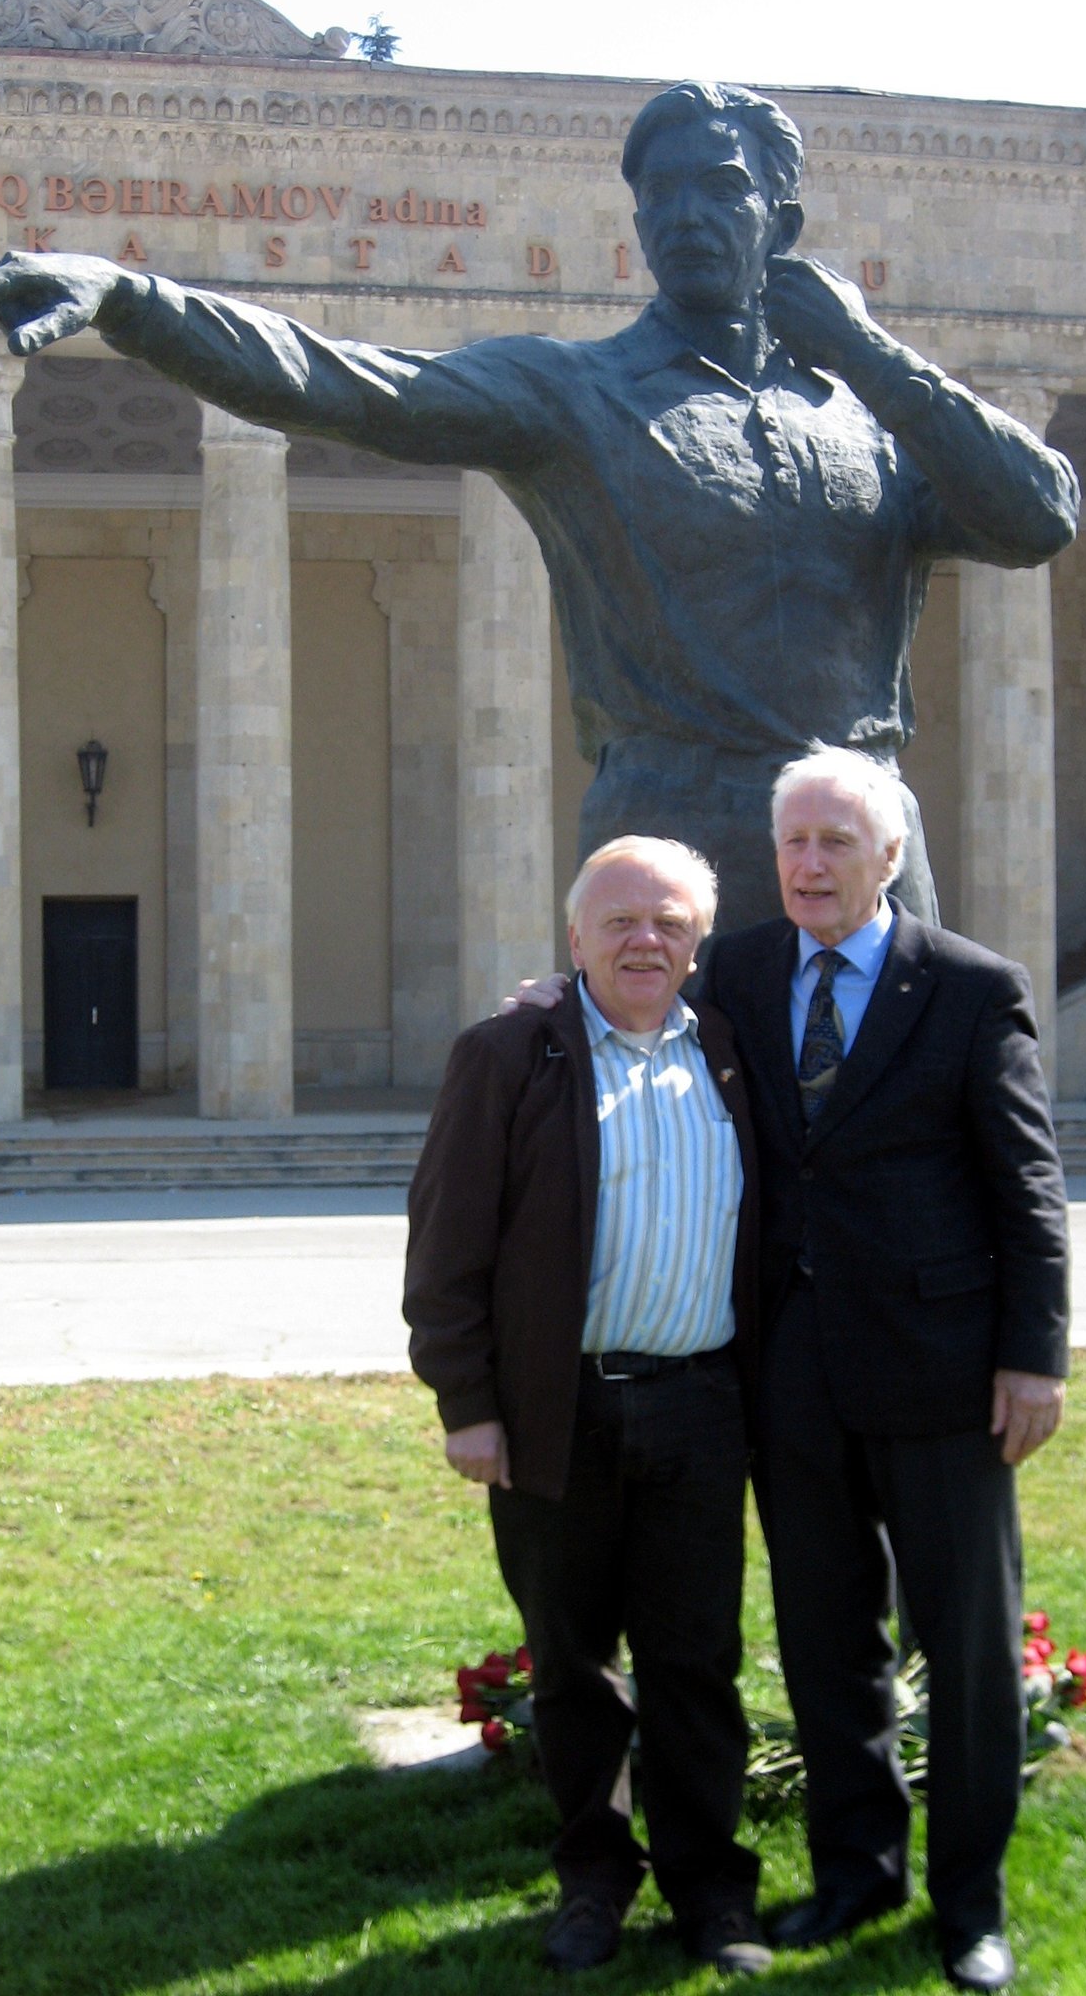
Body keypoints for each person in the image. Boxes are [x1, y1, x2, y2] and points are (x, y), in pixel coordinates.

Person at [0, 80, 1079, 933]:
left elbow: (1039, 516)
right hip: (680, 840)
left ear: (781, 222)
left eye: (720, 187)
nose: (685, 213)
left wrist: (872, 356)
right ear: (635, 228)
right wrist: (135, 300)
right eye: (659, 193)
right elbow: (343, 383)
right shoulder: (575, 395)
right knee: (673, 1173)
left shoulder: (872, 413)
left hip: (867, 842)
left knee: (898, 1167)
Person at [699, 745, 1069, 1993]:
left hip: (947, 1371)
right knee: (823, 1636)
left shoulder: (967, 986)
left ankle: (969, 1907)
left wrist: (1034, 1354)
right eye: (794, 841)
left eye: (837, 842)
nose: (809, 863)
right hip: (791, 1370)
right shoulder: (739, 971)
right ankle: (858, 1871)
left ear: (892, 856)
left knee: (964, 1647)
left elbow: (1027, 1183)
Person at [403, 836, 770, 1974]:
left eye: (666, 919)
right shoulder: (511, 1054)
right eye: (617, 920)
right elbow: (446, 1247)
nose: (643, 938)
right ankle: (595, 1877)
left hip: (702, 1407)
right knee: (572, 1664)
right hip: (560, 1415)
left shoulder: (733, 1058)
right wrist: (467, 1401)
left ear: (698, 938)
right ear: (573, 939)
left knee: (697, 1661)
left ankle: (713, 1889)